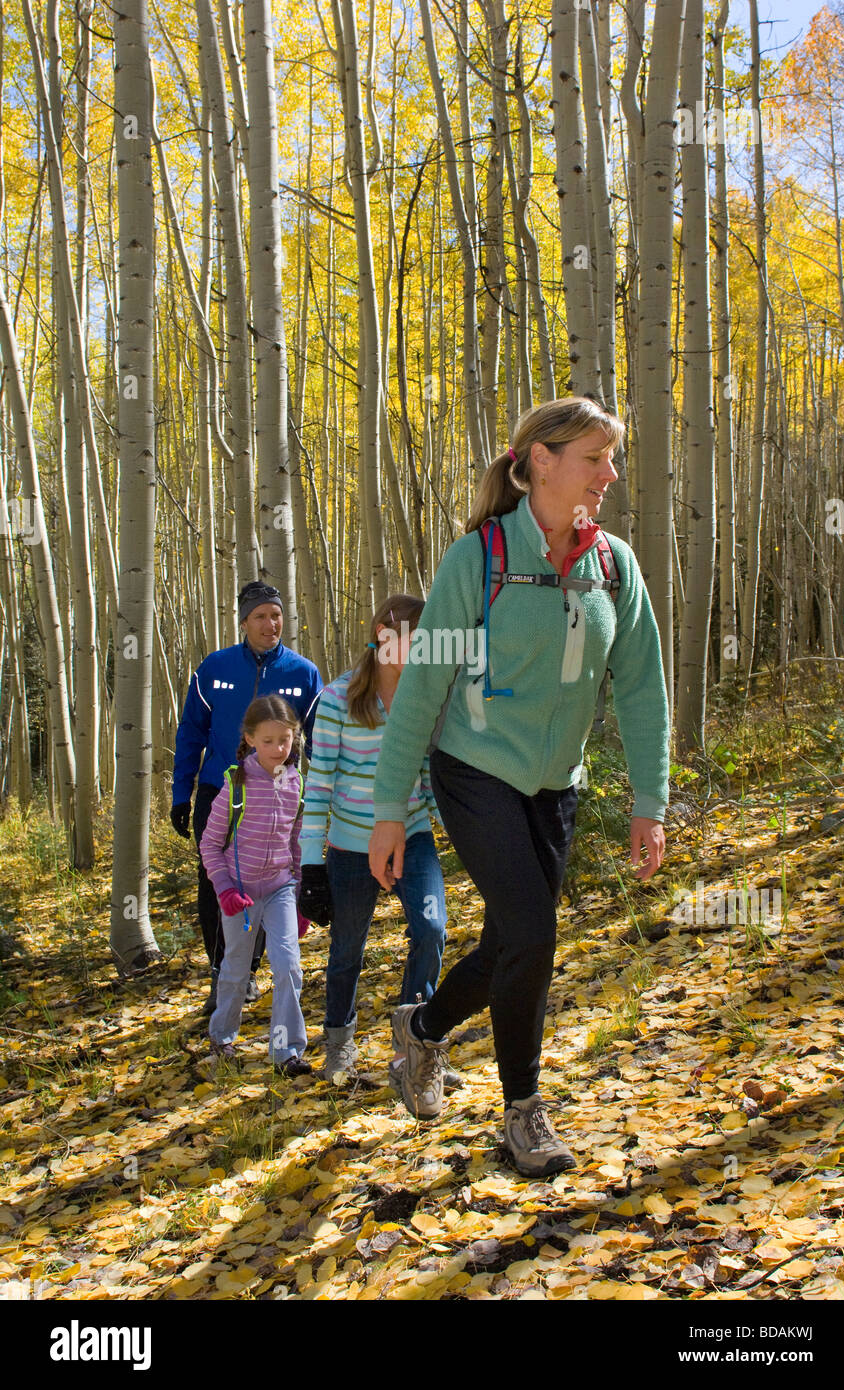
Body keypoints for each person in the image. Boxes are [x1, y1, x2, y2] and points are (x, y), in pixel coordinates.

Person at [369, 396, 670, 1179]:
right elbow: (424, 685)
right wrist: (388, 811)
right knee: (534, 930)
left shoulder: (612, 565)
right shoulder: (477, 559)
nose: (608, 475)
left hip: (555, 785)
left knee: (511, 939)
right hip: (474, 770)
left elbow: (641, 687)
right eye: (594, 458)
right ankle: (523, 1111)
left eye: (611, 459)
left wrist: (649, 803)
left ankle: (424, 1026)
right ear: (540, 460)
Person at [298, 595, 451, 1087]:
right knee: (346, 950)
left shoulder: (423, 697)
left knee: (431, 930)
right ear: (385, 636)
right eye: (417, 638)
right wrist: (311, 865)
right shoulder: (339, 699)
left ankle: (416, 1047)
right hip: (350, 845)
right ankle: (339, 1048)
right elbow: (318, 785)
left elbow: (427, 774)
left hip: (413, 834)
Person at [171, 581, 322, 1012]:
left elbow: (322, 741)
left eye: (276, 615)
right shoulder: (214, 669)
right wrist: (183, 794)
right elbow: (191, 733)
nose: (270, 624)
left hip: (277, 798)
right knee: (215, 881)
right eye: (260, 616)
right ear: (244, 621)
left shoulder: (303, 673)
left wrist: (329, 796)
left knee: (271, 881)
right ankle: (222, 971)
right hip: (221, 792)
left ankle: (249, 970)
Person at [200, 695, 309, 1073]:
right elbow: (210, 845)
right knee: (236, 968)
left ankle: (286, 1051)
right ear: (249, 739)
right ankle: (222, 1040)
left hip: (280, 889)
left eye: (286, 739)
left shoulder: (297, 783)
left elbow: (297, 843)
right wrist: (225, 889)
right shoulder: (236, 785)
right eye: (268, 741)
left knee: (288, 966)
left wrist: (300, 897)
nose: (279, 749)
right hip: (239, 894)